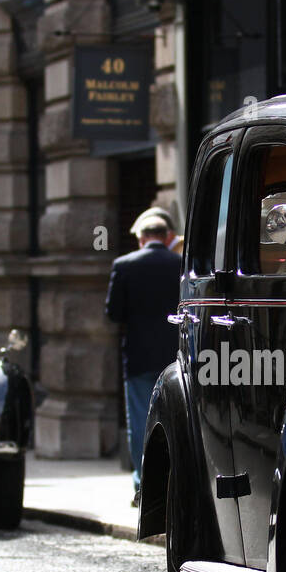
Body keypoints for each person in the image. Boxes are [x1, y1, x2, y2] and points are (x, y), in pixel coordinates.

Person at [105, 208, 182, 506]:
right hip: (173, 357)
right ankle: (173, 483)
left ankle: (143, 487)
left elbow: (114, 314)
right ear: (167, 237)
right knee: (175, 419)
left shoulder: (123, 265)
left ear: (140, 239)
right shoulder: (180, 263)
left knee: (140, 424)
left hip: (138, 357)